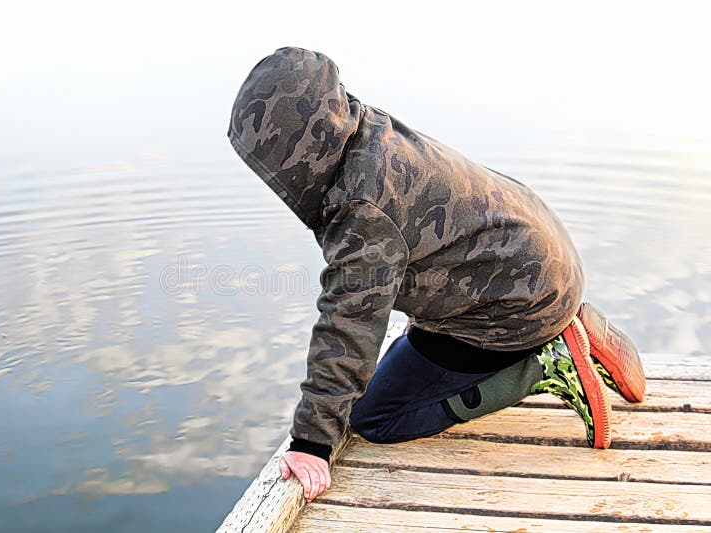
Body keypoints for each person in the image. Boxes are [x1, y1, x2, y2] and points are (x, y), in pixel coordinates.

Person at [227, 47, 645, 503]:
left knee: (373, 417)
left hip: (518, 304)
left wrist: (311, 443)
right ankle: (557, 320)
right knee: (377, 376)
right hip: (538, 262)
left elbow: (348, 322)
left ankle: (544, 361)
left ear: (298, 149)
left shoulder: (362, 209)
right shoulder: (368, 134)